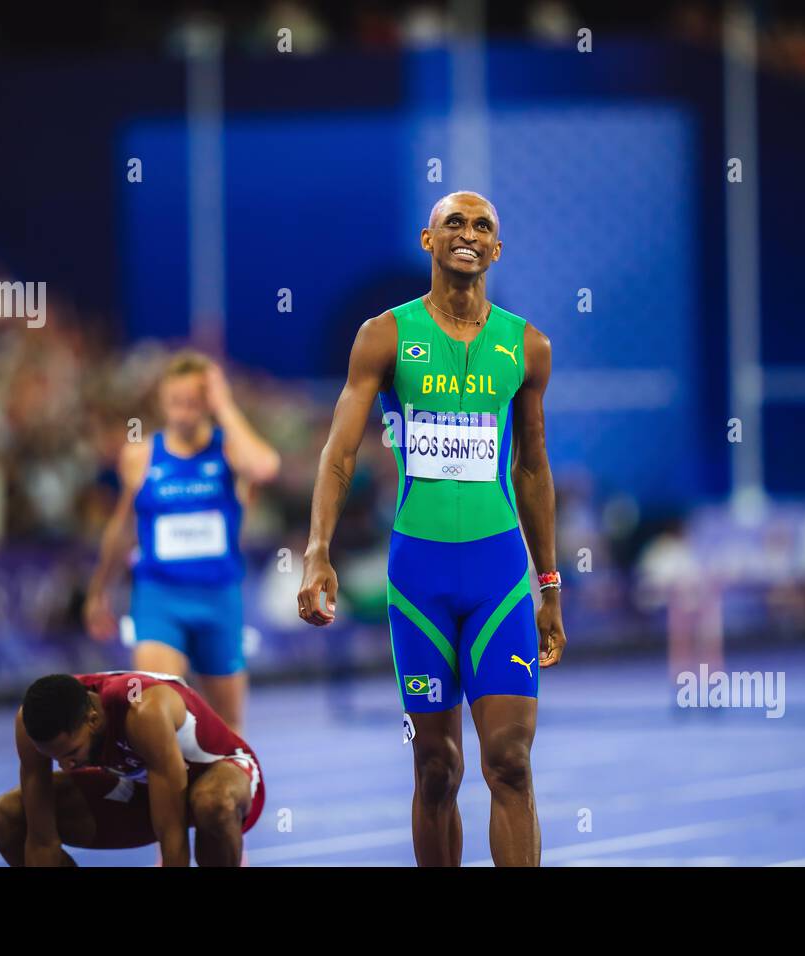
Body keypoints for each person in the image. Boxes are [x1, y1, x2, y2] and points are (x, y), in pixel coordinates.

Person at [297, 190, 567, 866]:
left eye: (483, 226)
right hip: (419, 577)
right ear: (429, 240)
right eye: (455, 223)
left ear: (497, 249)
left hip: (499, 575)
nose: (469, 234)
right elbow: (340, 452)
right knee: (436, 768)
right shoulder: (384, 336)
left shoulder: (527, 347)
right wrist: (317, 550)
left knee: (509, 761)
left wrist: (550, 584)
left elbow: (533, 470)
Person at [84, 352, 279, 734]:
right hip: (160, 598)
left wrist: (224, 406)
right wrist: (98, 591)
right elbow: (121, 528)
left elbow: (265, 468)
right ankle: (167, 791)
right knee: (155, 712)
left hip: (218, 599)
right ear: (162, 401)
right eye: (175, 402)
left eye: (193, 402)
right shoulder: (141, 455)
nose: (183, 413)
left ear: (207, 403)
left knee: (228, 727)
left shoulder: (229, 450)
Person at [0, 670, 264, 866]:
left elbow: (171, 838)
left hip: (219, 775)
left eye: (71, 753)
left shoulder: (143, 713)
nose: (66, 766)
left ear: (93, 720)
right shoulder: (28, 724)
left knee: (212, 803)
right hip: (141, 786)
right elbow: (42, 841)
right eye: (54, 757)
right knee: (3, 817)